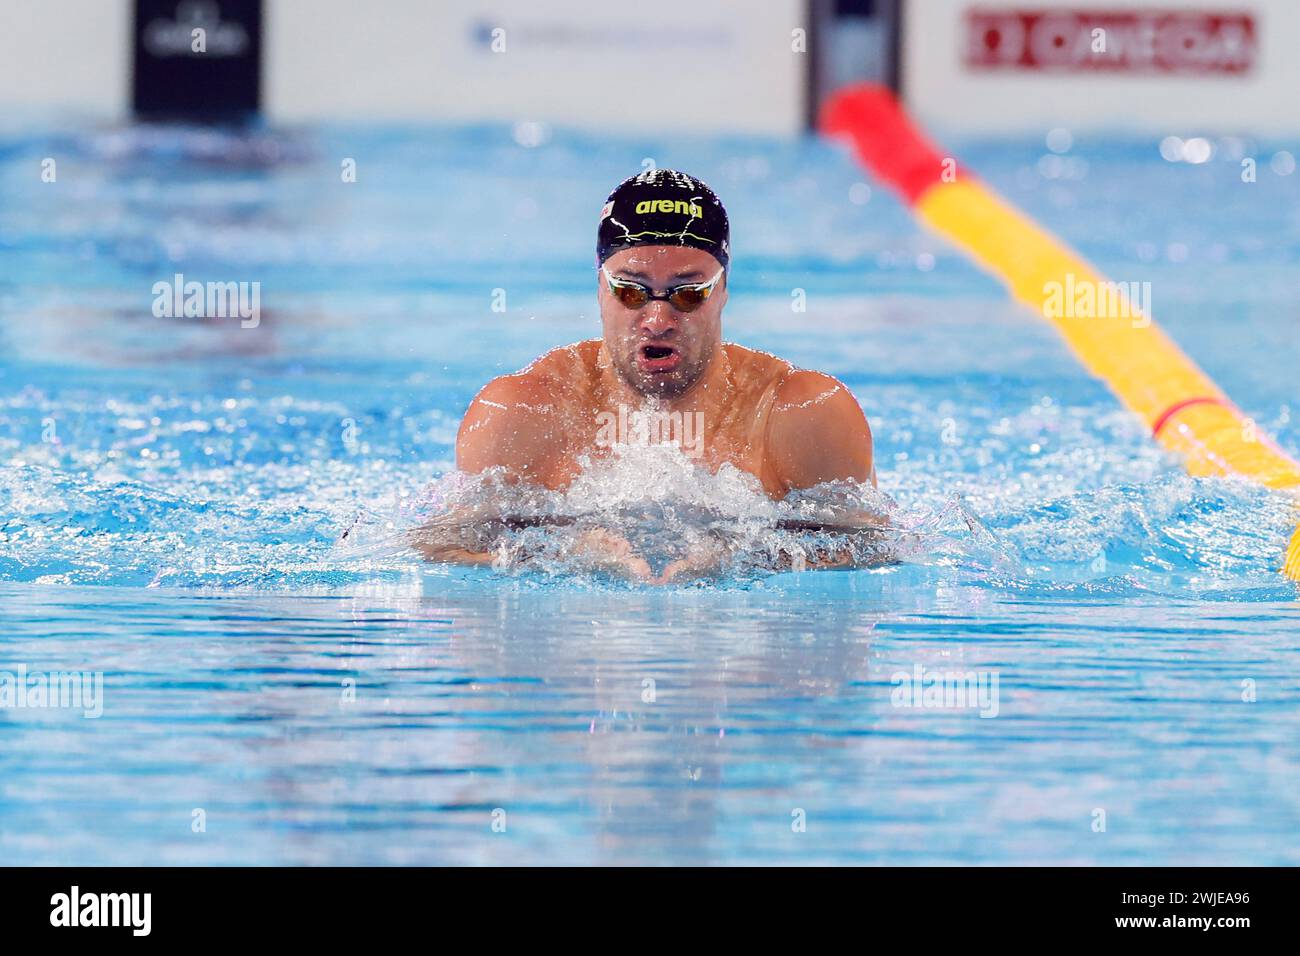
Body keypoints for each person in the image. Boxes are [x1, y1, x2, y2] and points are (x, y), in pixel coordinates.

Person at [417, 169, 876, 581]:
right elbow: (438, 549)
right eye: (632, 292)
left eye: (688, 294)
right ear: (600, 287)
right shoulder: (522, 413)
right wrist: (564, 556)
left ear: (723, 293)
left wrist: (746, 560)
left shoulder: (800, 414)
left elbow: (877, 552)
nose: (658, 318)